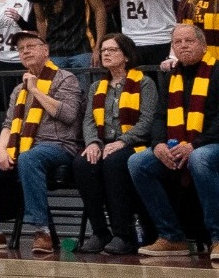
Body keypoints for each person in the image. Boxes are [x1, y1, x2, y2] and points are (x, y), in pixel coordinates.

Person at [0, 31, 82, 252]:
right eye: (21, 48)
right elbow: (8, 124)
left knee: (29, 158)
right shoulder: (18, 89)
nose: (25, 51)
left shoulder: (65, 78)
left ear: (46, 50)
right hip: (23, 148)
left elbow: (68, 115)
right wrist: (0, 150)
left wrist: (35, 89)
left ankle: (41, 231)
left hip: (57, 146)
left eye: (30, 46)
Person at [127, 22, 219, 259]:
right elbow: (159, 115)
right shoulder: (170, 76)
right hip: (179, 145)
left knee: (199, 159)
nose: (183, 46)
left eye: (189, 41)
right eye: (177, 42)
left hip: (210, 145)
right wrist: (157, 144)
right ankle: (171, 236)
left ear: (203, 44)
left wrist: (194, 145)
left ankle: (217, 238)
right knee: (138, 163)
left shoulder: (217, 71)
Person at [73, 33, 155, 256]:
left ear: (127, 56)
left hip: (134, 143)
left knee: (114, 162)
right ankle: (100, 232)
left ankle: (123, 234)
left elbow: (147, 121)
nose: (106, 54)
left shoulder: (144, 83)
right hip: (103, 143)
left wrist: (122, 141)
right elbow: (89, 120)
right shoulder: (96, 87)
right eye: (103, 50)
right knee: (82, 164)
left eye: (112, 50)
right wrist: (92, 143)